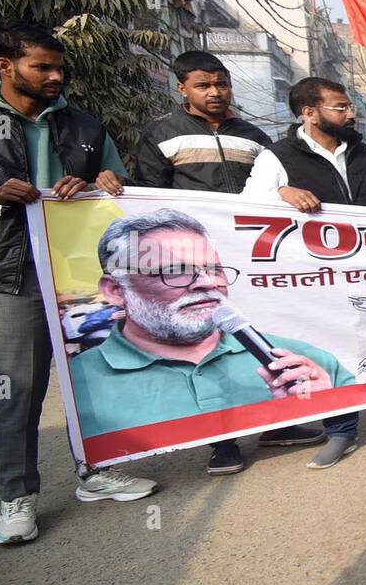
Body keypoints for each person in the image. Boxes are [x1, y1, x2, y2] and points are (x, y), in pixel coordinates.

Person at [0, 22, 156, 546]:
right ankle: (16, 498)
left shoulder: (84, 125)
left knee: (91, 373)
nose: (55, 76)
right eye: (42, 67)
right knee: (18, 387)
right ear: (6, 67)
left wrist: (101, 184)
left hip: (81, 271)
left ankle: (98, 470)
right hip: (11, 272)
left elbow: (116, 193)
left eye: (58, 67)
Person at [132, 50, 323, 475]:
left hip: (247, 259)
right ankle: (223, 440)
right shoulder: (161, 133)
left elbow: (270, 188)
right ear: (181, 88)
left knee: (261, 341)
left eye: (221, 83)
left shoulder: (253, 135)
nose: (215, 92)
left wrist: (282, 193)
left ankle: (276, 423)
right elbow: (149, 197)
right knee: (209, 348)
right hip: (191, 263)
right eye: (203, 85)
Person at [244, 76, 366, 466]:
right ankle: (340, 432)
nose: (350, 113)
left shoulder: (361, 149)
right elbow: (247, 206)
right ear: (309, 112)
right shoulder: (278, 157)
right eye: (340, 107)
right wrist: (281, 194)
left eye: (348, 106)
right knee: (330, 351)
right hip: (319, 276)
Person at [71, 210, 353, 434]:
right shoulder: (80, 385)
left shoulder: (298, 358)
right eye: (175, 271)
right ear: (115, 290)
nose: (206, 284)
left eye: (214, 269)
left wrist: (325, 403)